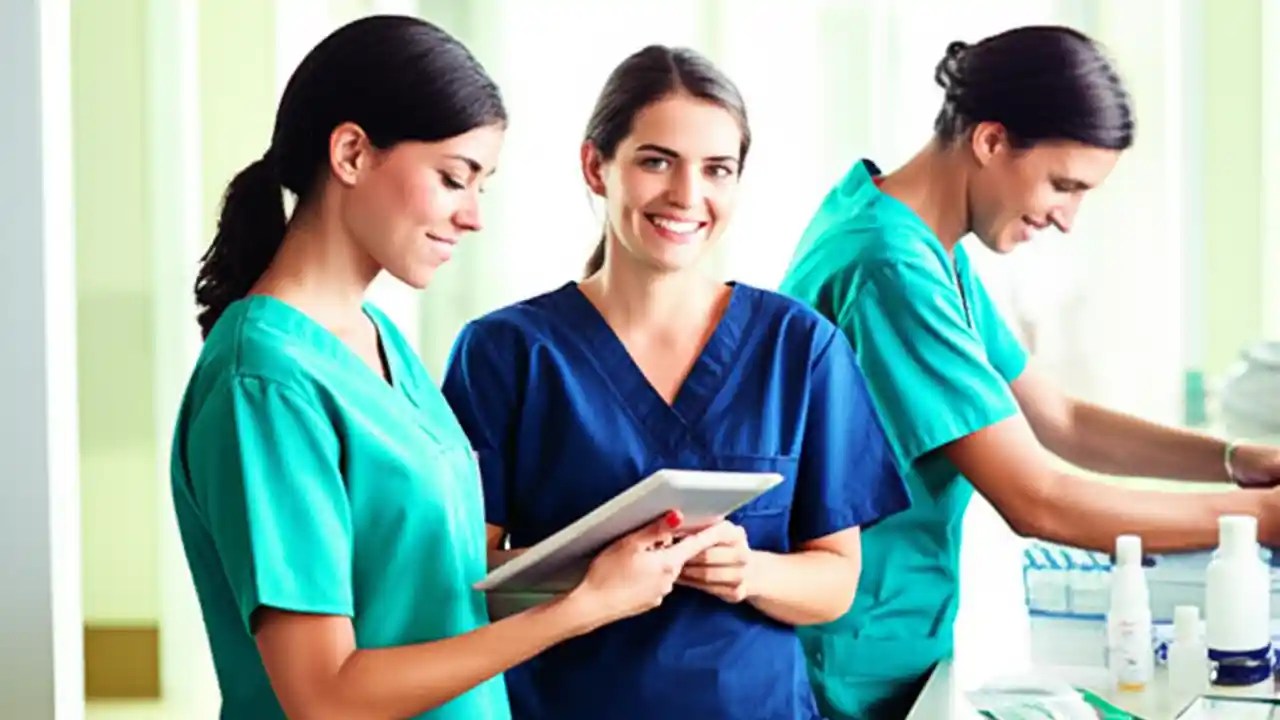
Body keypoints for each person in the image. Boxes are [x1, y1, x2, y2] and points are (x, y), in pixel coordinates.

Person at [170, 16, 728, 720]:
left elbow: (422, 584)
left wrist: (590, 569)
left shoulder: (376, 341)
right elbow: (324, 694)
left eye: (482, 187)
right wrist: (578, 611)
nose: (472, 217)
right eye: (453, 178)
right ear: (350, 153)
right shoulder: (265, 382)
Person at [777, 25, 1280, 719]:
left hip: (891, 637)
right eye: (1062, 184)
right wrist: (1259, 518)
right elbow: (1036, 500)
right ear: (990, 141)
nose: (1067, 218)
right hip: (852, 652)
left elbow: (1059, 419)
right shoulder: (891, 268)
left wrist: (1235, 461)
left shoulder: (917, 242)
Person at [439, 44, 911, 720]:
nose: (688, 196)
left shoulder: (798, 347)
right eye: (657, 161)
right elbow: (470, 579)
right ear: (595, 167)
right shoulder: (505, 354)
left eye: (717, 169)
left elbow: (835, 581)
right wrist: (597, 576)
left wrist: (750, 571)